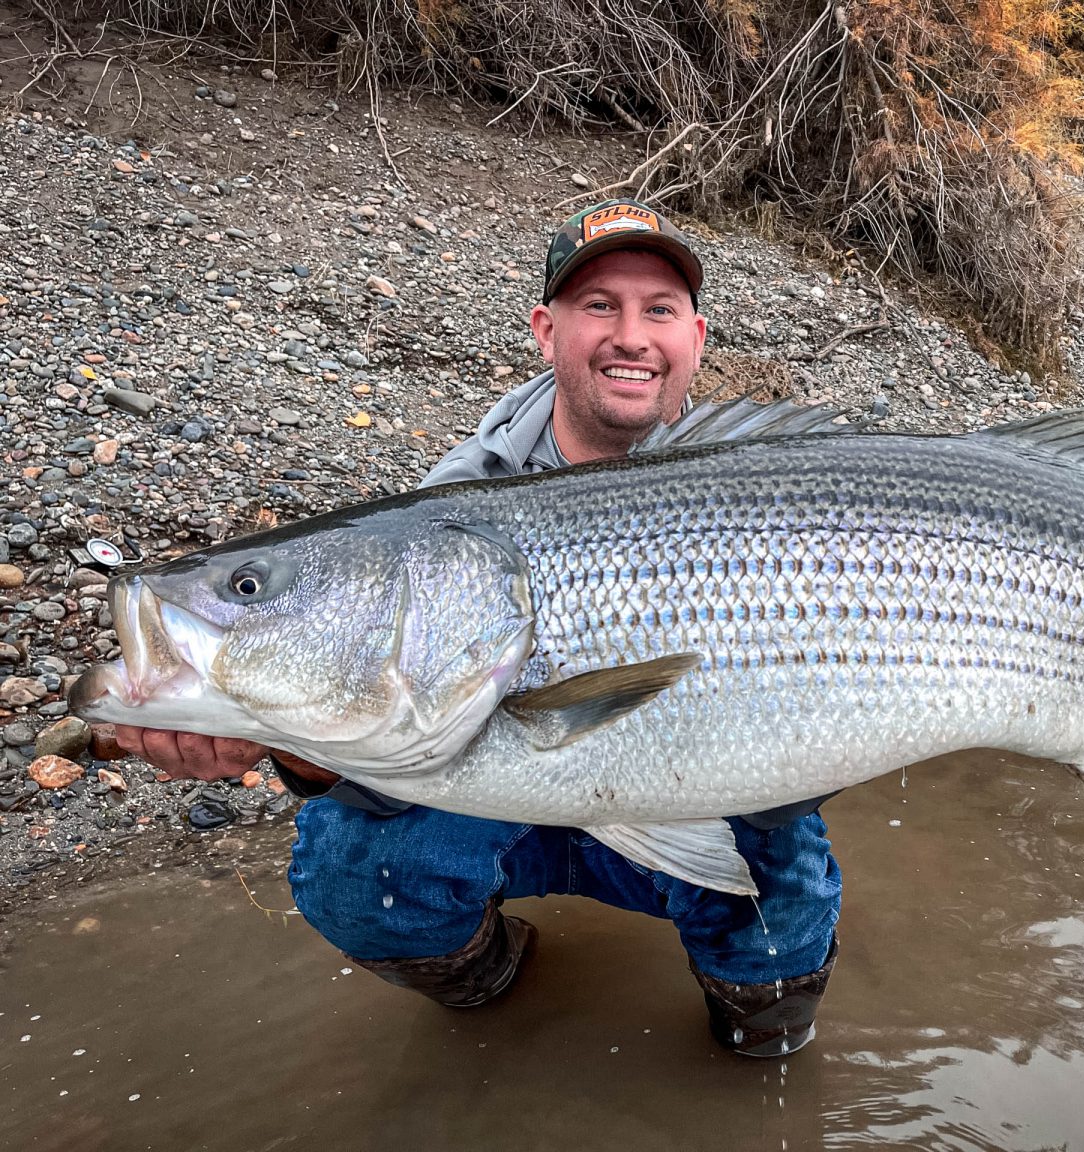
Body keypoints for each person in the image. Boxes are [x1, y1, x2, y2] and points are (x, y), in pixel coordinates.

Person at [113, 200, 841, 1057]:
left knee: (776, 890)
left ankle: (760, 1028)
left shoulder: (769, 495)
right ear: (546, 329)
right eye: (599, 305)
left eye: (659, 309)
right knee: (355, 865)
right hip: (494, 801)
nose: (631, 335)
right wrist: (298, 751)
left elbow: (815, 750)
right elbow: (391, 743)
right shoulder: (447, 511)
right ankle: (486, 981)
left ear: (696, 335)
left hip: (698, 787)